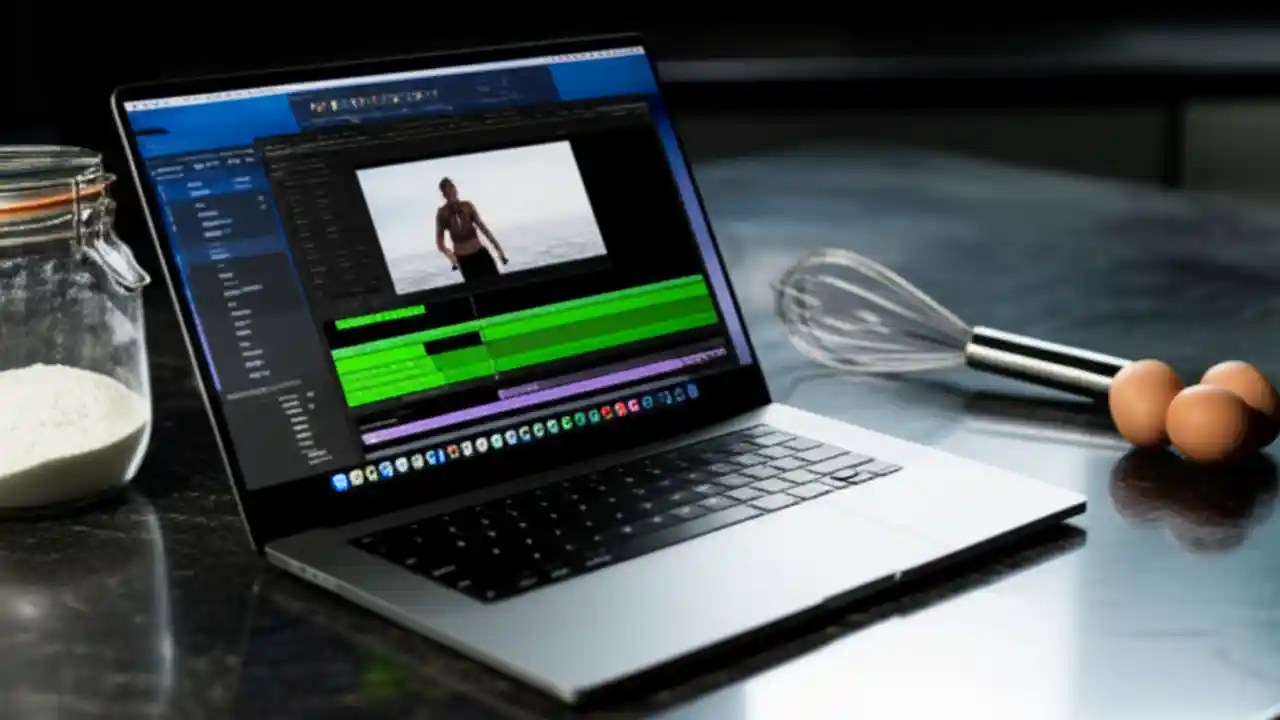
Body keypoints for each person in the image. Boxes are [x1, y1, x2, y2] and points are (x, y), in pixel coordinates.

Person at [435, 177, 508, 281]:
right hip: (464, 259)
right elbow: (440, 243)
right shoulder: (442, 214)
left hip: (480, 253)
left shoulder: (467, 206)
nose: (451, 192)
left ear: (456, 190)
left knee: (496, 283)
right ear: (444, 195)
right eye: (448, 190)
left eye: (452, 188)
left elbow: (484, 229)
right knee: (476, 288)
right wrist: (451, 257)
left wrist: (499, 250)